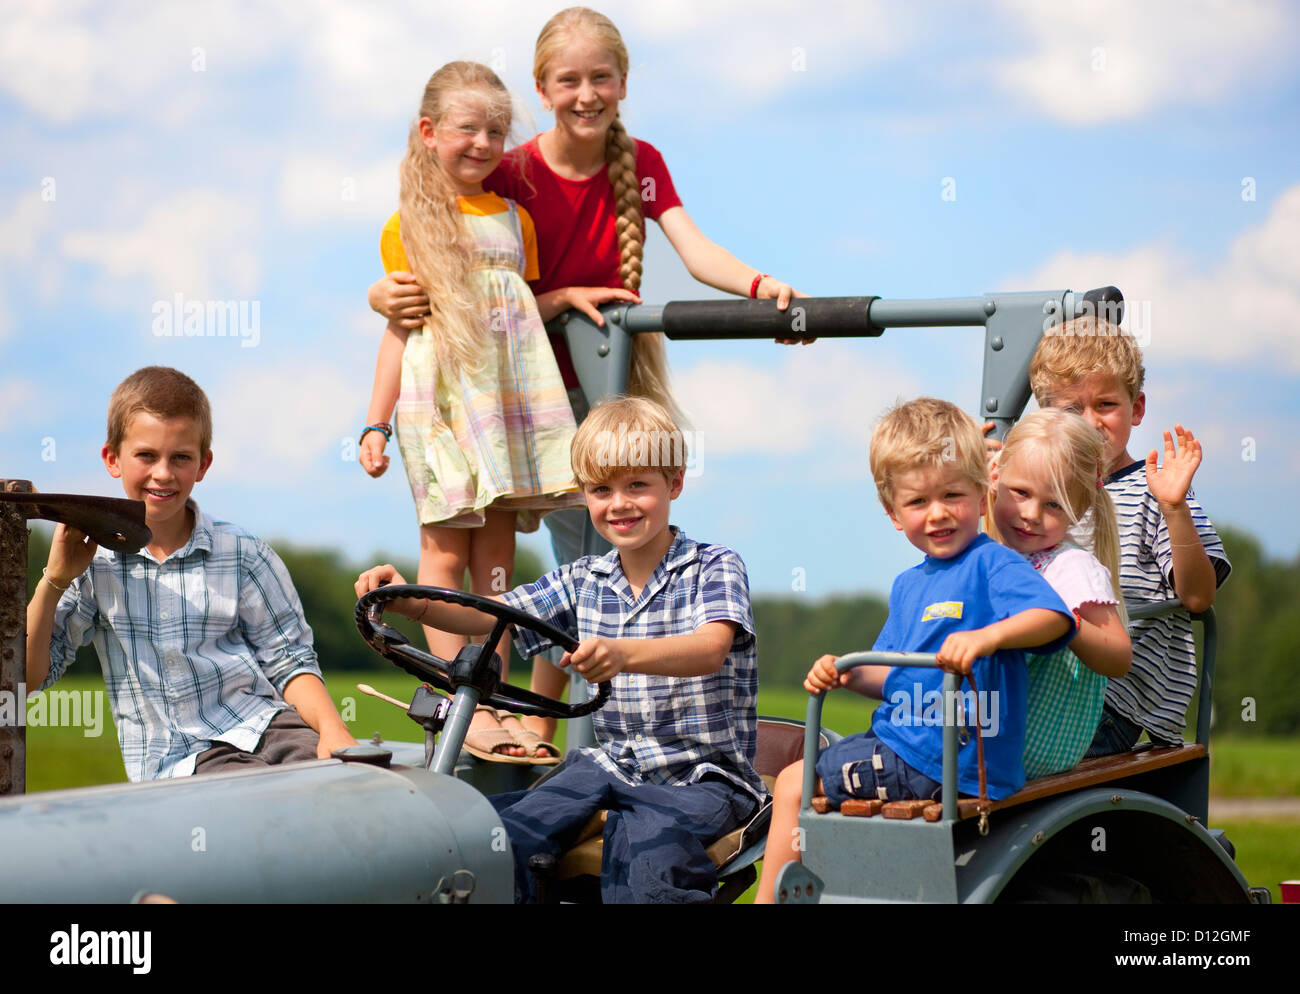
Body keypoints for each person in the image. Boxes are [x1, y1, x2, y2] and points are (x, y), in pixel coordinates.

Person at [354, 396, 766, 903]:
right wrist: (409, 601)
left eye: (638, 484)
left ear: (674, 483)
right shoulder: (582, 579)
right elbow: (490, 612)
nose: (619, 503)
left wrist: (624, 654)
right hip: (613, 764)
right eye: (601, 489)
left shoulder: (713, 566)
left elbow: (709, 648)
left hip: (704, 778)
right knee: (503, 832)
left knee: (643, 847)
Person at [754, 397, 1073, 904]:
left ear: (983, 493)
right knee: (810, 776)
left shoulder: (992, 565)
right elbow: (887, 675)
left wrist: (988, 637)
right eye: (919, 503)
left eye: (953, 494)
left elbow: (1055, 619)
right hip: (905, 749)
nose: (939, 513)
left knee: (793, 781)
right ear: (894, 514)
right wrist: (842, 672)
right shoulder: (909, 586)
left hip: (943, 758)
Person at [359, 61, 584, 762]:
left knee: (498, 564)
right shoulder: (408, 227)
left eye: (496, 130)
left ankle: (498, 698)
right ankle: (460, 695)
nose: (484, 142)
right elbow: (399, 329)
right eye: (468, 129)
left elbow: (514, 307)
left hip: (505, 411)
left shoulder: (514, 218)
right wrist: (373, 421)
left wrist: (569, 297)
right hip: (440, 409)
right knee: (447, 550)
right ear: (429, 133)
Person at [25, 366, 357, 781]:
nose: (163, 473)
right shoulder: (94, 563)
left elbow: (290, 661)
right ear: (112, 459)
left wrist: (332, 728)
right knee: (259, 802)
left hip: (269, 726)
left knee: (337, 783)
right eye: (146, 455)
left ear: (203, 464)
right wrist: (54, 579)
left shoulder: (243, 553)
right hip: (179, 757)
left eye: (180, 457)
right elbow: (27, 676)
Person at [1029, 317, 1231, 755]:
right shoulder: (1038, 493)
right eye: (1070, 410)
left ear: (1136, 409)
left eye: (1105, 405)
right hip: (1045, 678)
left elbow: (1197, 597)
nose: (1089, 423)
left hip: (1115, 698)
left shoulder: (1153, 491)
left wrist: (1174, 508)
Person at [985, 409, 1131, 777]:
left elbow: (1118, 657)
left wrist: (1065, 623)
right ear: (993, 478)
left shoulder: (1068, 568)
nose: (1031, 513)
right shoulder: (987, 551)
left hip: (1025, 742)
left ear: (1079, 508)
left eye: (1053, 504)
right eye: (1020, 493)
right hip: (985, 727)